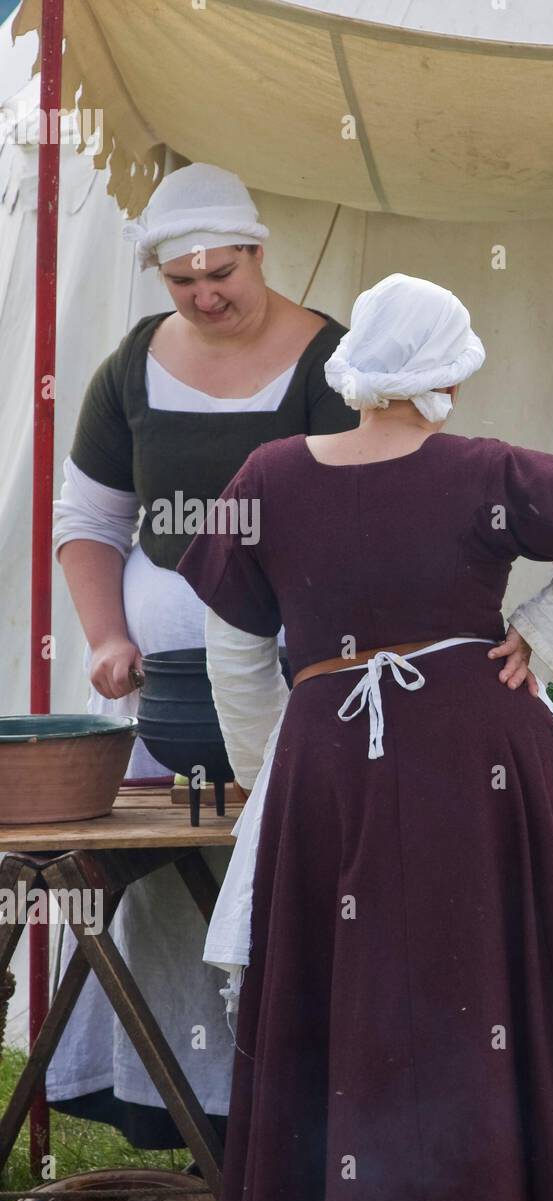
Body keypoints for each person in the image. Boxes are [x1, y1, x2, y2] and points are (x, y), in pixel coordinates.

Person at [176, 274, 553, 1201]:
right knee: (482, 983)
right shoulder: (484, 467)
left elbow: (232, 650)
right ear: (448, 370)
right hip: (475, 750)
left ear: (353, 365)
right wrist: (543, 631)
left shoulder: (270, 473)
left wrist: (274, 769)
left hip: (333, 763)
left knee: (344, 989)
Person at [48, 163, 358, 1148]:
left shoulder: (330, 361)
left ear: (259, 252)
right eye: (183, 281)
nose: (206, 293)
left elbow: (362, 521)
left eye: (222, 272)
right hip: (160, 697)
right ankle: (170, 1102)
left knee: (289, 878)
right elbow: (91, 520)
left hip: (291, 685)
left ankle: (299, 1110)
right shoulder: (131, 367)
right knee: (164, 887)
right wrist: (106, 634)